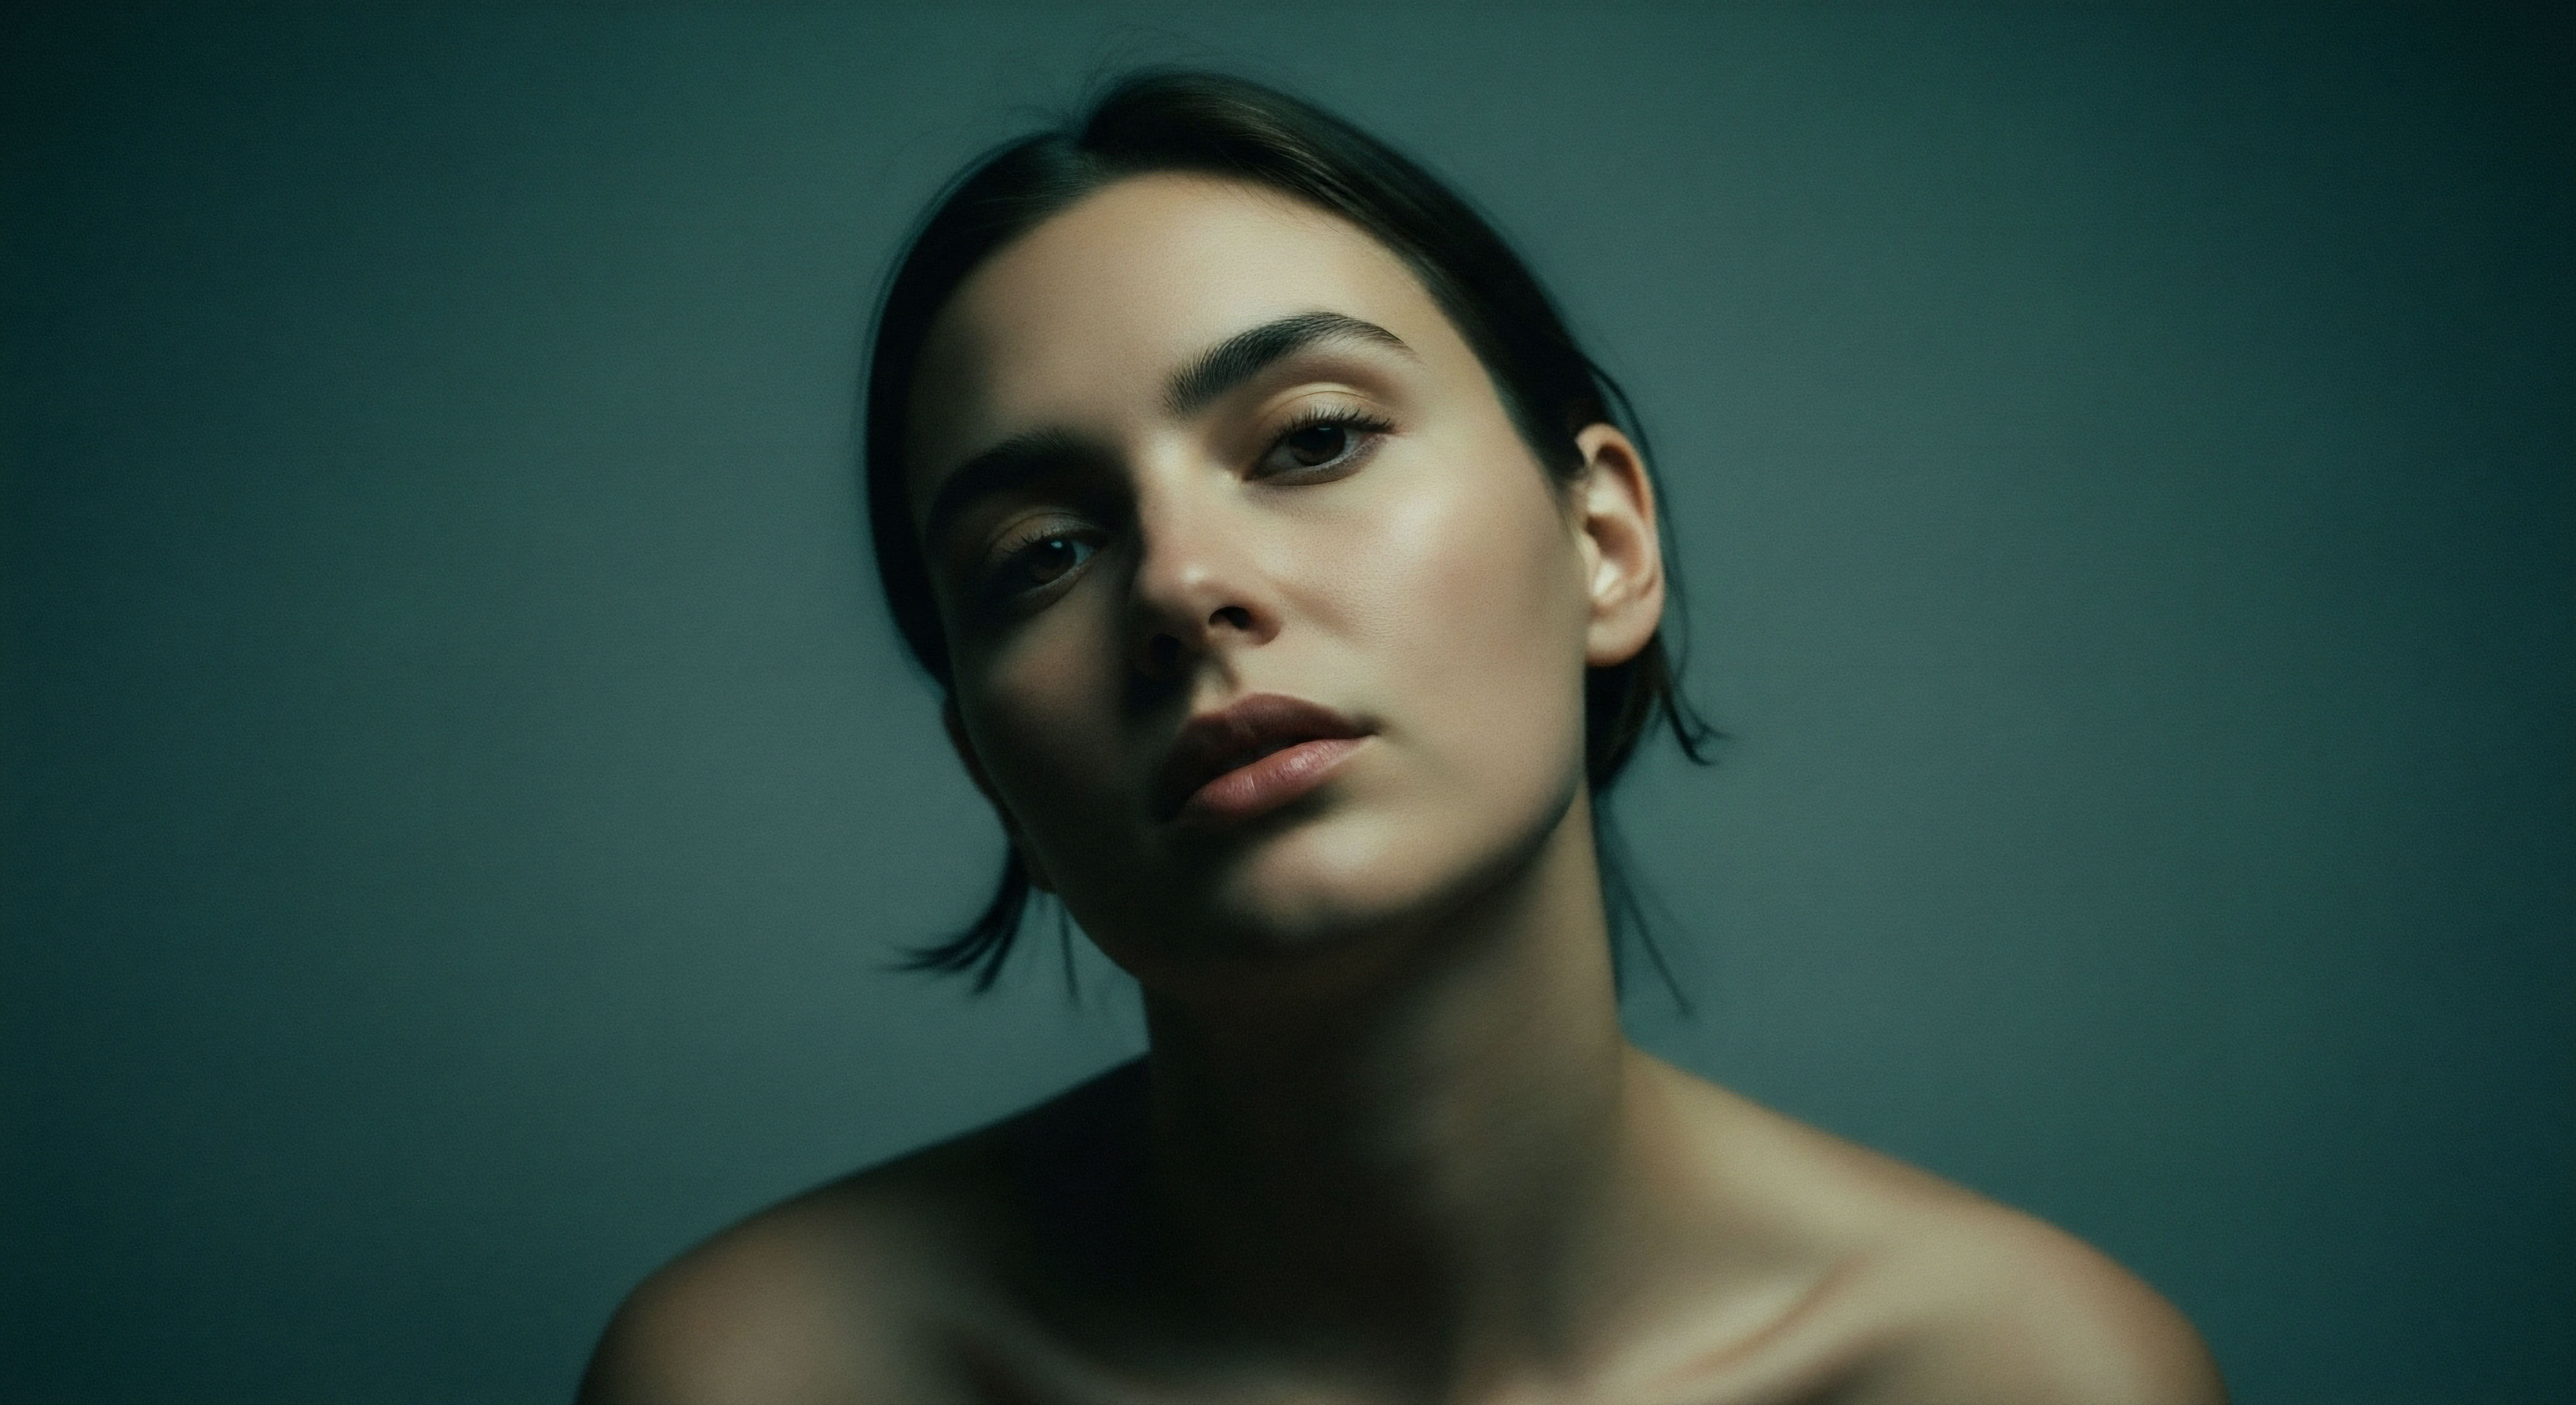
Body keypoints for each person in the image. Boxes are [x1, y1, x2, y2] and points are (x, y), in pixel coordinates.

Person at [579, 71, 2226, 1404]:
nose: (1184, 585)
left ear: (1605, 544)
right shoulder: (771, 1377)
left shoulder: (2020, 1374)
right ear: (985, 765)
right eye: (1042, 557)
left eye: (1310, 440)